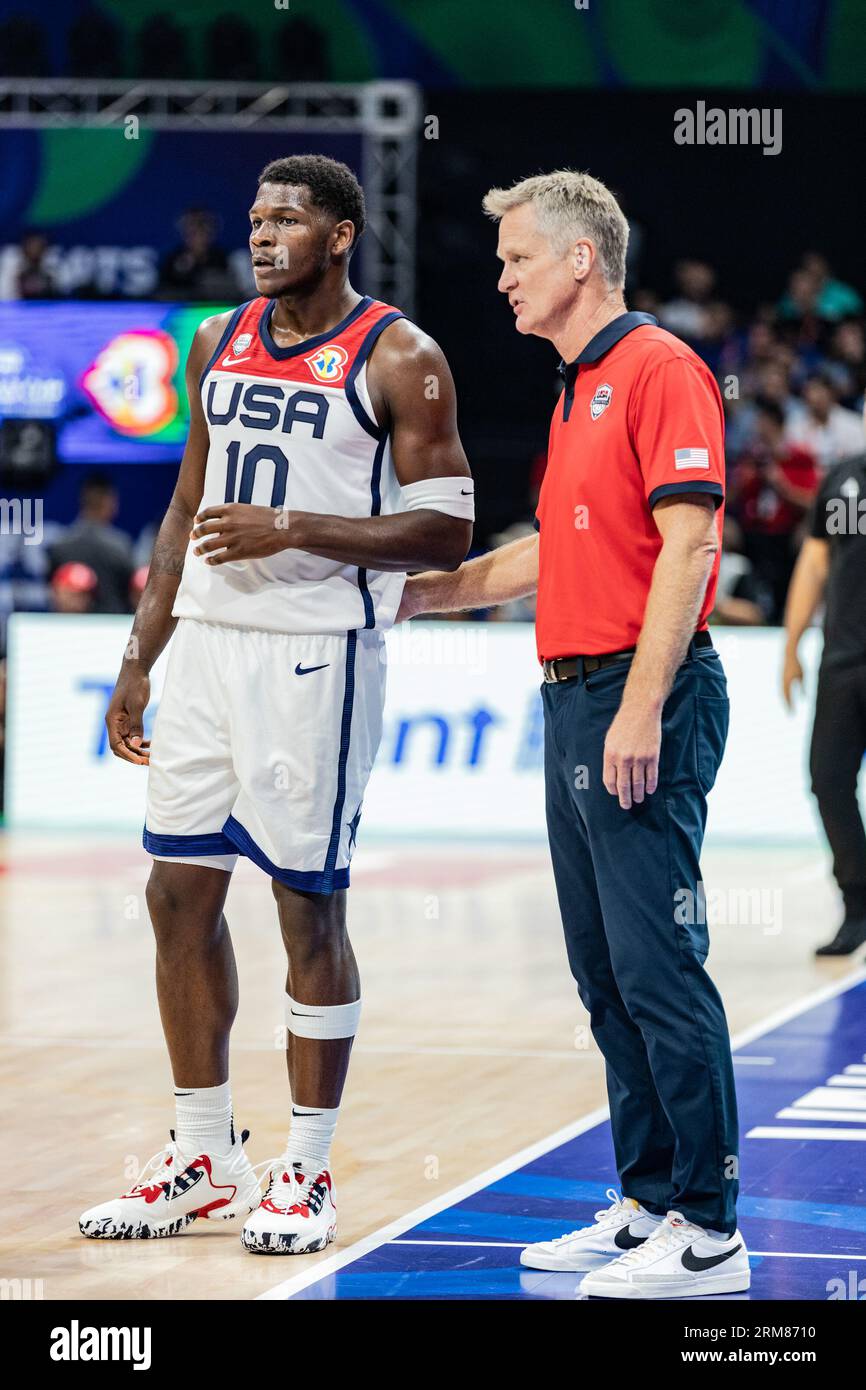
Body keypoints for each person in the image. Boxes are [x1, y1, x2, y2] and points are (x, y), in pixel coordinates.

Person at [78, 155, 473, 1253]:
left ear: (340, 234)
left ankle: (305, 1170)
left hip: (316, 658)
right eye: (255, 217)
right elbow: (181, 508)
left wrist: (296, 526)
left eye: (287, 218)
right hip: (202, 647)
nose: (262, 234)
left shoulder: (403, 356)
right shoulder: (216, 338)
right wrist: (138, 654)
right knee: (175, 898)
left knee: (306, 909)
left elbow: (445, 530)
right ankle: (205, 1154)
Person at [399, 170, 749, 1299]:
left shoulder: (659, 368)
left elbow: (688, 549)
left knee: (657, 970)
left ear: (578, 260)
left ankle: (711, 1227)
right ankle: (647, 1203)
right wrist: (423, 594)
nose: (498, 277)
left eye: (514, 259)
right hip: (569, 695)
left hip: (636, 694)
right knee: (603, 976)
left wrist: (640, 705)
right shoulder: (573, 388)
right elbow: (550, 549)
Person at [783, 442, 866, 957]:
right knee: (828, 780)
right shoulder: (841, 478)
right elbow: (814, 562)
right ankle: (857, 904)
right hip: (840, 660)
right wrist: (790, 646)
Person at [727, 399, 820, 622]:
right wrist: (745, 479)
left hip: (785, 534)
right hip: (753, 532)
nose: (758, 427)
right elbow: (730, 498)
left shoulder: (799, 458)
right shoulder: (751, 458)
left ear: (775, 424)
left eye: (762, 422)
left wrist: (780, 484)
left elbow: (811, 503)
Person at [48, 474, 134, 613]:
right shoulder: (121, 546)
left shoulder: (60, 544)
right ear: (108, 502)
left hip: (69, 628)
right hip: (113, 626)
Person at [786, 371, 864, 471]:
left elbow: (860, 461)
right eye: (812, 391)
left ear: (832, 394)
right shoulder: (795, 426)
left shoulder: (852, 423)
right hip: (809, 482)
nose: (817, 397)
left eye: (821, 391)